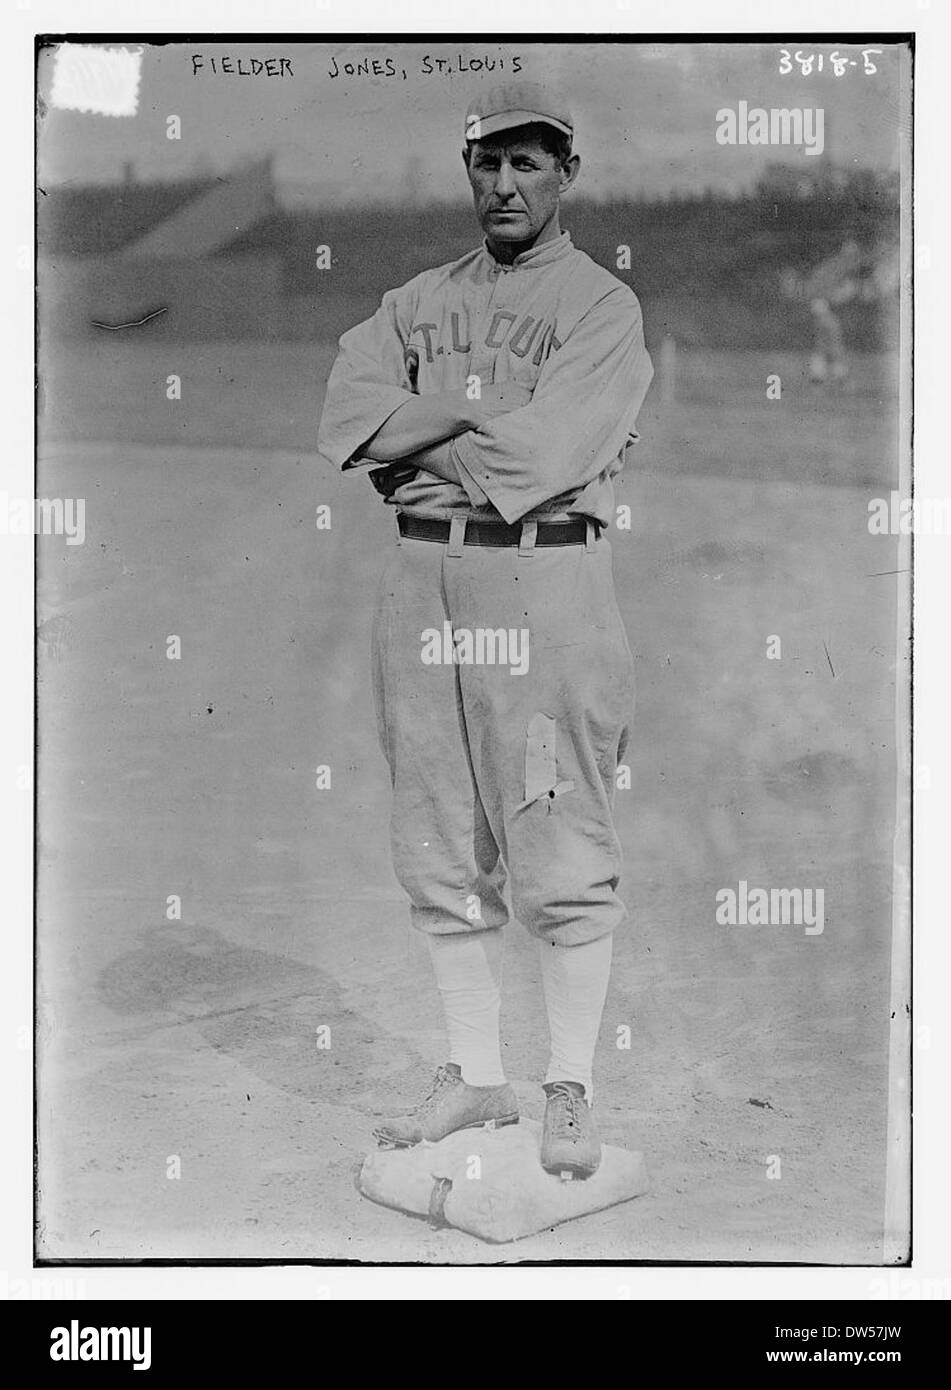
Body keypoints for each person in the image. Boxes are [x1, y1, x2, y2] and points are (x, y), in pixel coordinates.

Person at [317, 81, 653, 1179]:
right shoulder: (414, 298)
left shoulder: (603, 309)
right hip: (424, 588)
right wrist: (469, 419)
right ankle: (474, 1075)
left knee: (557, 846)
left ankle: (568, 1086)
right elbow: (348, 419)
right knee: (438, 838)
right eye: (487, 163)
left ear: (566, 174)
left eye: (529, 163)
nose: (505, 184)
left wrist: (429, 435)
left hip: (545, 586)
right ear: (468, 171)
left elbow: (540, 459)